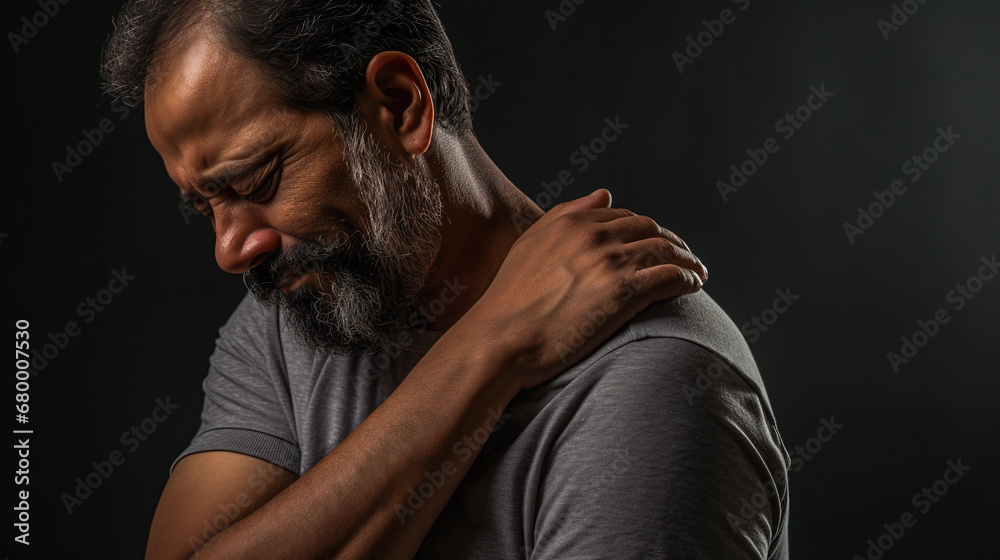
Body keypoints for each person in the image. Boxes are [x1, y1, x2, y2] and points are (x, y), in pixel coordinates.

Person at [101, 1, 790, 558]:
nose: (229, 249)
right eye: (205, 205)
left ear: (401, 105)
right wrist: (491, 345)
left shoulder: (652, 381)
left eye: (255, 181)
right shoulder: (294, 320)